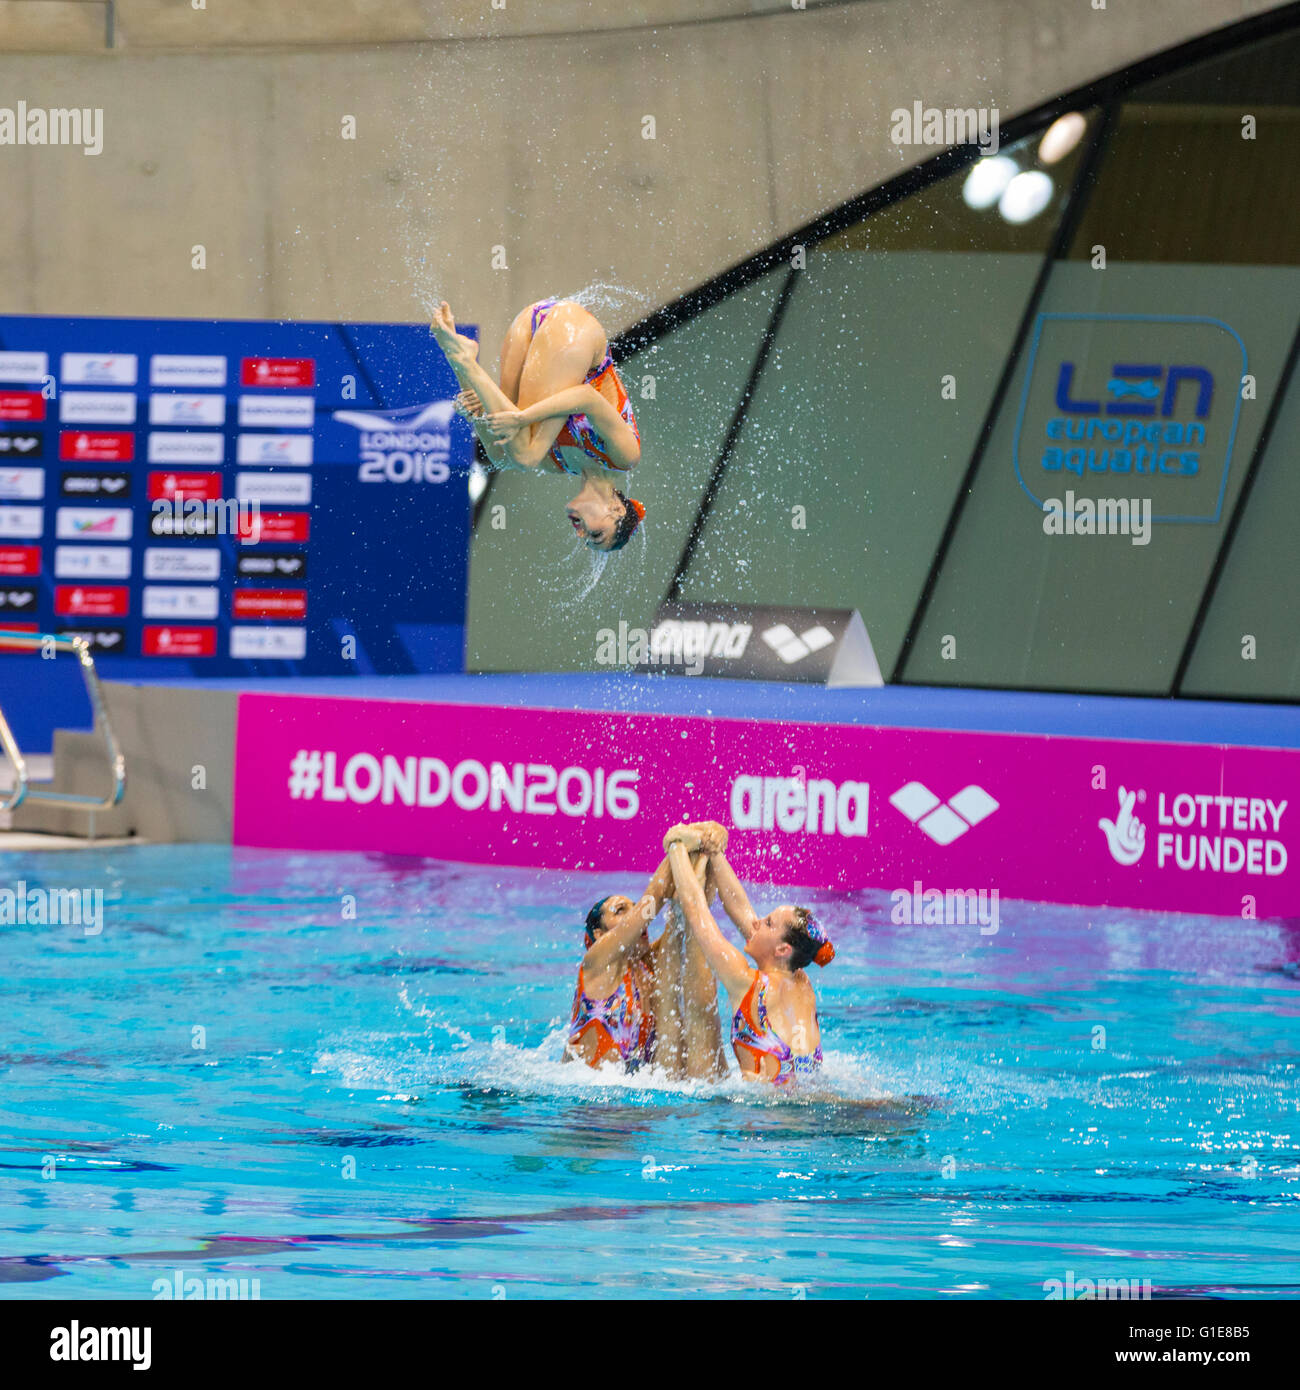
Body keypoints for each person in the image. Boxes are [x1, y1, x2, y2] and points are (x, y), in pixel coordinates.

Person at [429, 298, 645, 551]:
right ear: (616, 509)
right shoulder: (623, 457)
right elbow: (586, 397)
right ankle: (464, 360)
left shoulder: (555, 464)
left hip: (530, 326)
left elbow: (500, 421)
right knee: (526, 455)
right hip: (572, 330)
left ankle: (459, 360)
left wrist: (477, 409)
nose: (580, 535)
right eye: (595, 535)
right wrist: (524, 417)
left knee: (502, 457)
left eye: (586, 541)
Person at [664, 826, 834, 1086]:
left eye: (768, 923)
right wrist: (714, 851)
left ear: (782, 950)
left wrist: (674, 843)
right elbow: (741, 908)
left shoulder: (747, 983)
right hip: (805, 1107)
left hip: (767, 1118)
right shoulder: (802, 983)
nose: (756, 922)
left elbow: (696, 910)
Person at [566, 823, 728, 1079]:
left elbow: (693, 910)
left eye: (633, 908)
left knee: (679, 931)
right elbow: (655, 897)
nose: (633, 915)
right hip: (592, 1109)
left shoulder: (647, 962)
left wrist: (710, 843)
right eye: (621, 911)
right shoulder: (596, 963)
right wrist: (676, 840)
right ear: (598, 935)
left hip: (638, 1101)